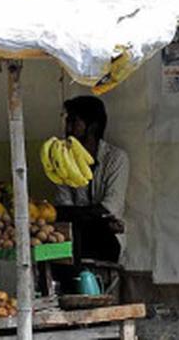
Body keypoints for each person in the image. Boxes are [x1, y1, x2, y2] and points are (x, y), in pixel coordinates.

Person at [53, 96, 129, 263]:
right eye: (67, 122)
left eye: (74, 122)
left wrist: (80, 214)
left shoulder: (116, 159)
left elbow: (110, 207)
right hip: (76, 236)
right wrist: (95, 216)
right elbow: (61, 208)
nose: (68, 129)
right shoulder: (64, 160)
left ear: (92, 127)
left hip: (107, 240)